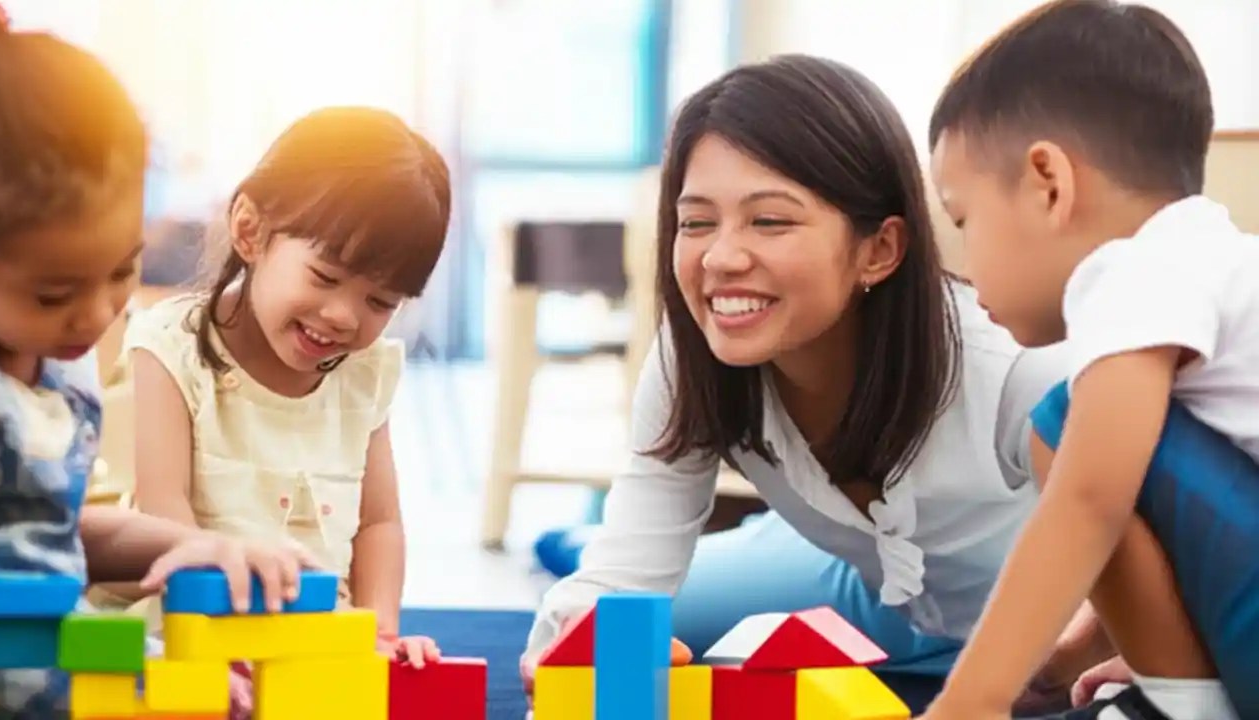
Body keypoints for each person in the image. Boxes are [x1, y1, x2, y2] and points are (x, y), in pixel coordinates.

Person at [520, 54, 1087, 713]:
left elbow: (1165, 575)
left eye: (770, 221)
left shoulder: (1016, 366)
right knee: (632, 615)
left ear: (879, 249)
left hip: (1027, 627)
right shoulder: (694, 354)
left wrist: (1050, 665)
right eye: (696, 222)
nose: (722, 258)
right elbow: (623, 583)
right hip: (863, 595)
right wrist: (573, 644)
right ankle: (574, 543)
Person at [0, 3, 319, 716]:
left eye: (121, 271)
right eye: (53, 293)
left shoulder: (56, 375)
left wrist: (195, 545)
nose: (97, 313)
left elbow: (54, 527)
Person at [923, 1, 1257, 719]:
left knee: (1062, 423)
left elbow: (1090, 500)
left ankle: (1180, 710)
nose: (961, 254)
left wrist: (972, 698)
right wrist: (1077, 649)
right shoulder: (1209, 260)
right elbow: (1171, 502)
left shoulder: (1133, 272)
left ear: (1048, 183)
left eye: (963, 218)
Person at [126, 106, 451, 680]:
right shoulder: (170, 344)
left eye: (381, 302)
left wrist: (377, 633)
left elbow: (379, 521)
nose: (344, 317)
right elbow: (164, 518)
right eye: (325, 277)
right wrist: (221, 640)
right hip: (191, 634)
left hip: (317, 644)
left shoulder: (365, 370)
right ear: (250, 231)